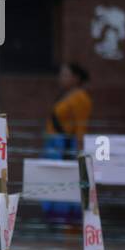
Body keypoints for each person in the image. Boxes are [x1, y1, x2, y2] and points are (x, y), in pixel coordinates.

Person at [42, 62, 92, 226]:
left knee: (68, 188)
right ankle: (60, 227)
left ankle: (71, 231)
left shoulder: (80, 98)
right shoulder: (67, 96)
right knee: (55, 185)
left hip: (66, 149)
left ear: (76, 78)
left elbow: (81, 128)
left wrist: (78, 154)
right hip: (55, 147)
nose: (61, 78)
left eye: (65, 75)